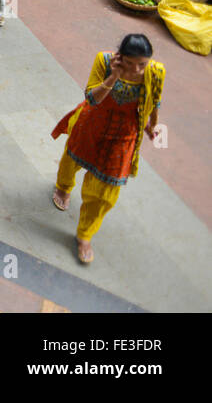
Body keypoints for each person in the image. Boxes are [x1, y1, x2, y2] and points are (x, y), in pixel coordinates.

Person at [51, 35, 163, 265]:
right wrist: (114, 76)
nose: (137, 70)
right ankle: (63, 187)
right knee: (71, 162)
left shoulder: (156, 71)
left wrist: (152, 125)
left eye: (142, 64)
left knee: (105, 194)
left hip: (124, 137)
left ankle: (84, 235)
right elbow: (91, 99)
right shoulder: (103, 62)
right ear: (119, 57)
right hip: (91, 126)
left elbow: (156, 99)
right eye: (130, 64)